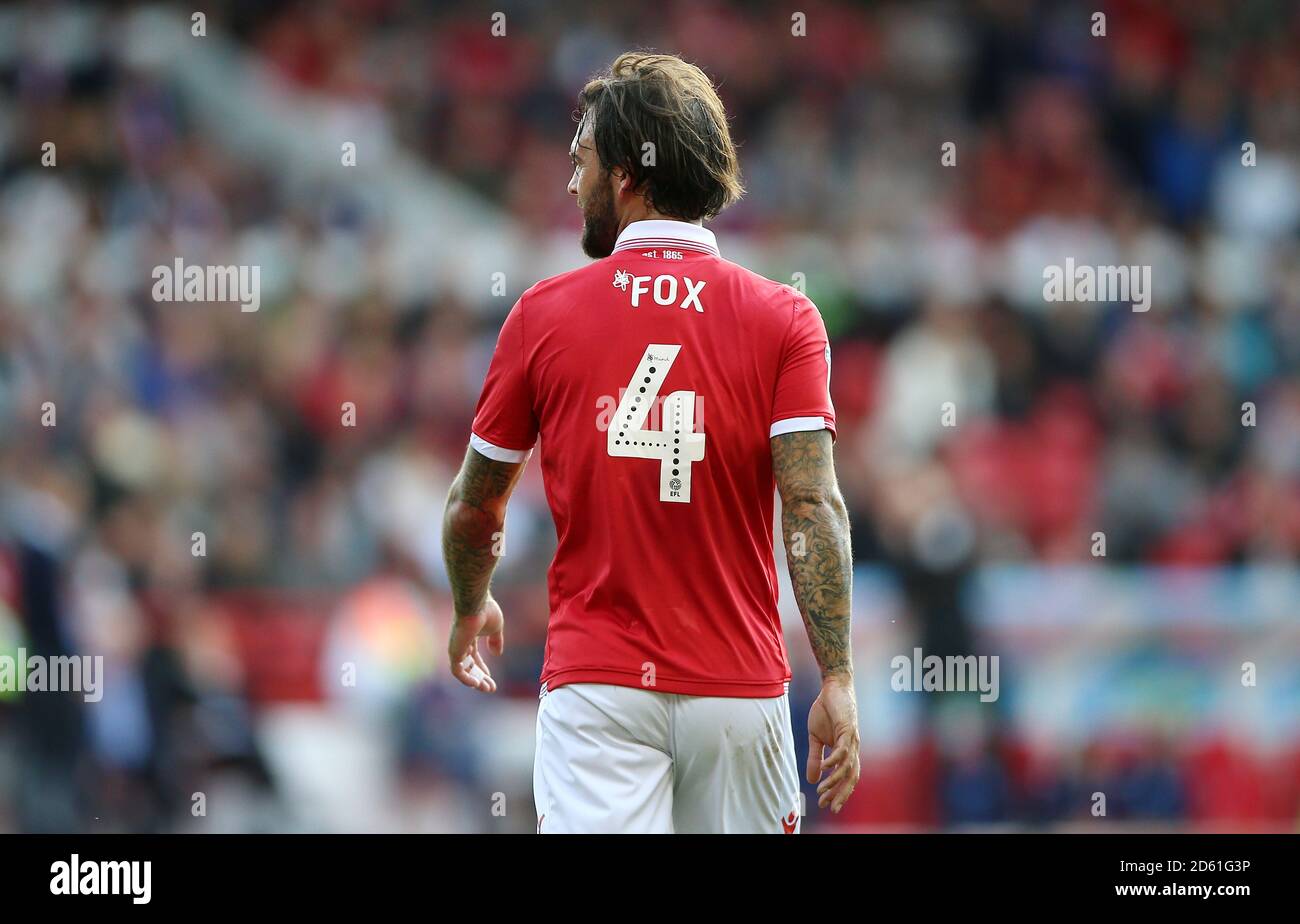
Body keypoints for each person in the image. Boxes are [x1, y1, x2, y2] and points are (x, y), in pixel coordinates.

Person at [441, 52, 858, 833]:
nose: (572, 185)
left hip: (599, 694)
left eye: (582, 163)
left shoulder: (543, 315)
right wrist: (836, 675)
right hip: (737, 689)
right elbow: (814, 505)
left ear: (628, 175)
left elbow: (475, 506)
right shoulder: (785, 319)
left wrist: (471, 604)